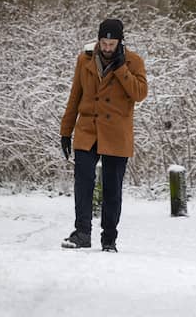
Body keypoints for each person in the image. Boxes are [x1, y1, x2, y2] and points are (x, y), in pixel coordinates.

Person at [59, 18, 148, 252]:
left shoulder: (133, 62)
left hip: (117, 134)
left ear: (120, 42)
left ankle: (109, 238)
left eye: (112, 43)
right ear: (98, 40)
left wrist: (121, 70)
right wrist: (65, 131)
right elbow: (74, 97)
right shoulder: (84, 60)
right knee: (83, 182)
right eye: (104, 42)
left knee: (112, 188)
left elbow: (140, 93)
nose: (107, 48)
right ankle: (82, 232)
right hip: (88, 130)